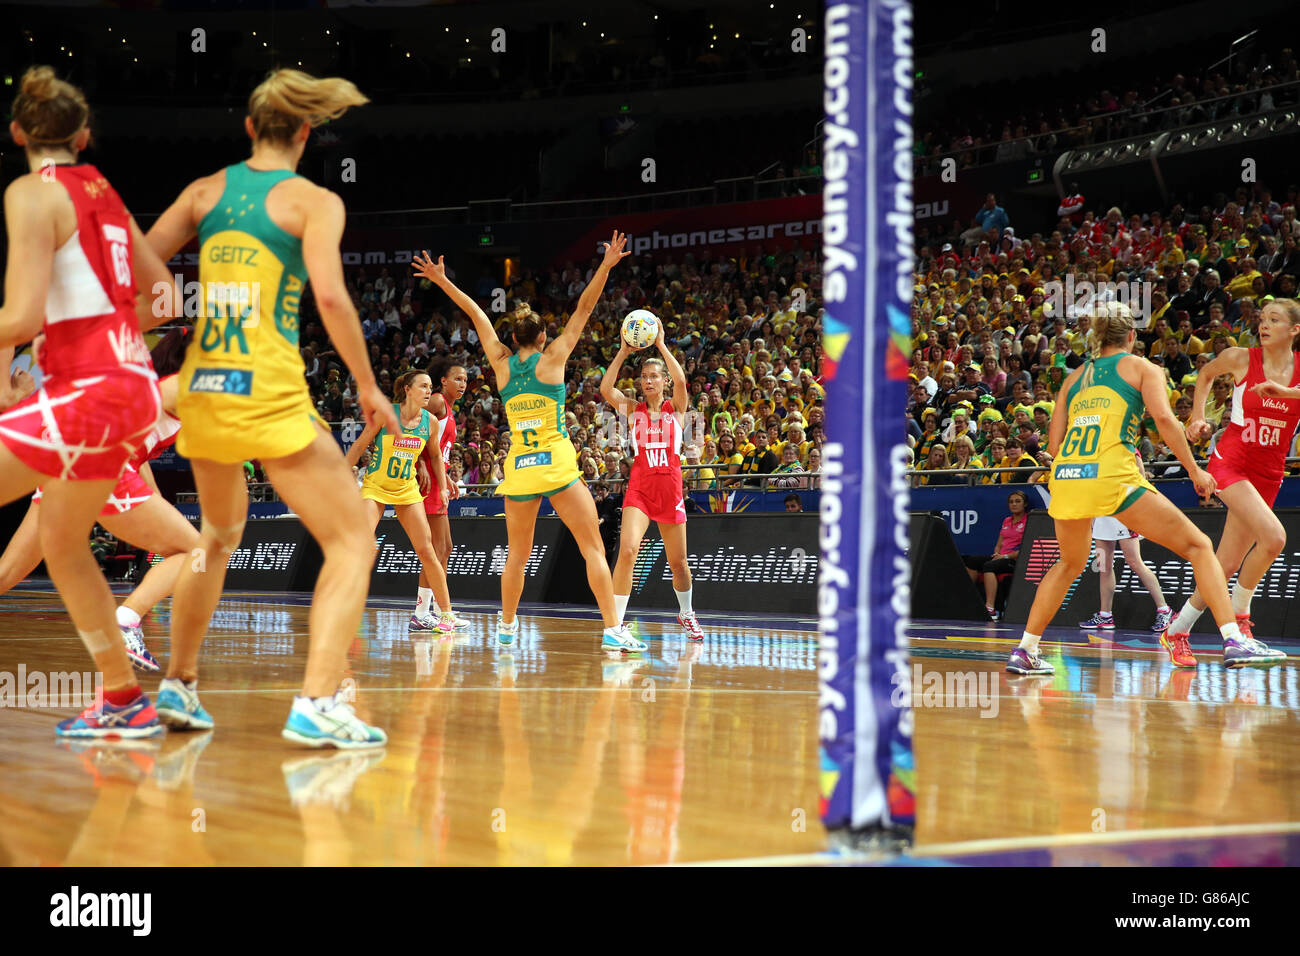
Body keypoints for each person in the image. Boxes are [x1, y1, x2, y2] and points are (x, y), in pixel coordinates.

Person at [144, 68, 400, 746]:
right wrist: (370, 387)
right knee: (352, 539)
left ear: (251, 128)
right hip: (269, 389)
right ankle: (318, 700)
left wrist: (164, 323)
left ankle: (180, 684)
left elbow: (139, 269)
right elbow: (335, 300)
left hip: (204, 390)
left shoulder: (204, 192)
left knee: (218, 536)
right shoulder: (314, 201)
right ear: (307, 132)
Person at [0, 67, 179, 739]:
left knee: (63, 541)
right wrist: (97, 325)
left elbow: (17, 315)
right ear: (83, 136)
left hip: (89, 389)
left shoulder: (29, 192)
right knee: (64, 544)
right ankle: (124, 697)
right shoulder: (102, 188)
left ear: (18, 133)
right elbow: (164, 296)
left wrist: (54, 337)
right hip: (132, 389)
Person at [1007, 302, 1276, 677]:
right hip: (1111, 474)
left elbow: (1052, 446)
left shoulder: (1074, 378)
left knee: (1068, 563)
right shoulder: (1142, 367)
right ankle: (1233, 638)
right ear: (1132, 337)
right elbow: (1164, 420)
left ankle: (1025, 650)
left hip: (1067, 477)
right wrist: (1195, 469)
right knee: (1199, 546)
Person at [413, 234, 645, 653]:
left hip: (519, 465)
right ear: (540, 339)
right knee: (591, 544)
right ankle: (612, 627)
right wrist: (607, 264)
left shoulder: (501, 364)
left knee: (517, 554)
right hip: (555, 461)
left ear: (515, 337)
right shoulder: (554, 357)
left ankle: (505, 629)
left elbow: (476, 312)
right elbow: (584, 308)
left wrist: (442, 281)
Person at [0, 330, 199, 672]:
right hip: (99, 466)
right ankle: (126, 620)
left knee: (7, 573)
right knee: (198, 550)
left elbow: (141, 455)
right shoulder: (183, 386)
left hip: (69, 466)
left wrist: (155, 504)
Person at [1164, 299, 1300, 660]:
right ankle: (1240, 621)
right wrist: (1196, 416)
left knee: (1224, 565)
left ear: (1295, 330)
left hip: (1270, 472)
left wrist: (1287, 393)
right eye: (1262, 319)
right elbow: (1206, 373)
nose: (1264, 324)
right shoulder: (1243, 358)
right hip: (1232, 463)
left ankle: (1176, 631)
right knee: (1273, 539)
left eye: (1275, 320)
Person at [600, 319, 705, 641]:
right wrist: (622, 351)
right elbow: (606, 390)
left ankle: (686, 613)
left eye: (653, 376)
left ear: (663, 381)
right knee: (628, 549)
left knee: (679, 564)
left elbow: (683, 381)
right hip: (640, 492)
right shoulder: (633, 410)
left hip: (670, 491)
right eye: (644, 376)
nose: (648, 381)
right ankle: (615, 625)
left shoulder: (677, 408)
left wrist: (660, 344)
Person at [344, 369, 459, 633]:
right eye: (423, 386)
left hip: (406, 489)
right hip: (376, 487)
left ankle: (447, 615)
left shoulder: (430, 422)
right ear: (407, 389)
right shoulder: (386, 414)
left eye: (431, 387)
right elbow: (360, 446)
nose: (429, 391)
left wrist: (443, 487)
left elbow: (435, 457)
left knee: (427, 551)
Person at [411, 355, 471, 630]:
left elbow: (437, 450)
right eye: (457, 378)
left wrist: (447, 478)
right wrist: (420, 463)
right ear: (443, 381)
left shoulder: (448, 407)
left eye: (466, 380)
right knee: (435, 549)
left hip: (438, 478)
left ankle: (435, 609)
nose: (463, 384)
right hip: (427, 482)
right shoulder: (436, 401)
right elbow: (414, 430)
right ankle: (423, 613)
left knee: (444, 547)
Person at [1077, 506, 1174, 633]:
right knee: (1104, 566)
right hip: (1101, 514)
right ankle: (1105, 616)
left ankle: (1165, 610)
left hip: (1123, 512)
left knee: (1134, 562)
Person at [962, 489, 1030, 621]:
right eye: (1011, 502)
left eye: (1018, 501)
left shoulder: (1029, 521)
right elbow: (1000, 543)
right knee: (972, 561)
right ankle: (968, 600)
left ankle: (991, 608)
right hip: (1001, 557)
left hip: (1014, 559)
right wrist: (997, 553)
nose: (1014, 504)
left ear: (1025, 504)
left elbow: (1026, 549)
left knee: (989, 566)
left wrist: (1005, 557)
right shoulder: (1007, 521)